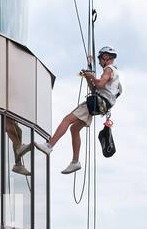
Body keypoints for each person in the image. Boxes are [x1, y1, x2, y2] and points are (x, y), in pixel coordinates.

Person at [48, 45, 123, 174]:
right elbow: (95, 88)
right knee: (74, 128)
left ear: (106, 57)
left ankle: (49, 146)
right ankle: (75, 161)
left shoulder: (109, 69)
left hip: (97, 102)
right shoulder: (115, 73)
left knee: (66, 120)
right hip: (100, 106)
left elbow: (99, 84)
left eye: (100, 59)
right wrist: (89, 77)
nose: (99, 62)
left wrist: (91, 76)